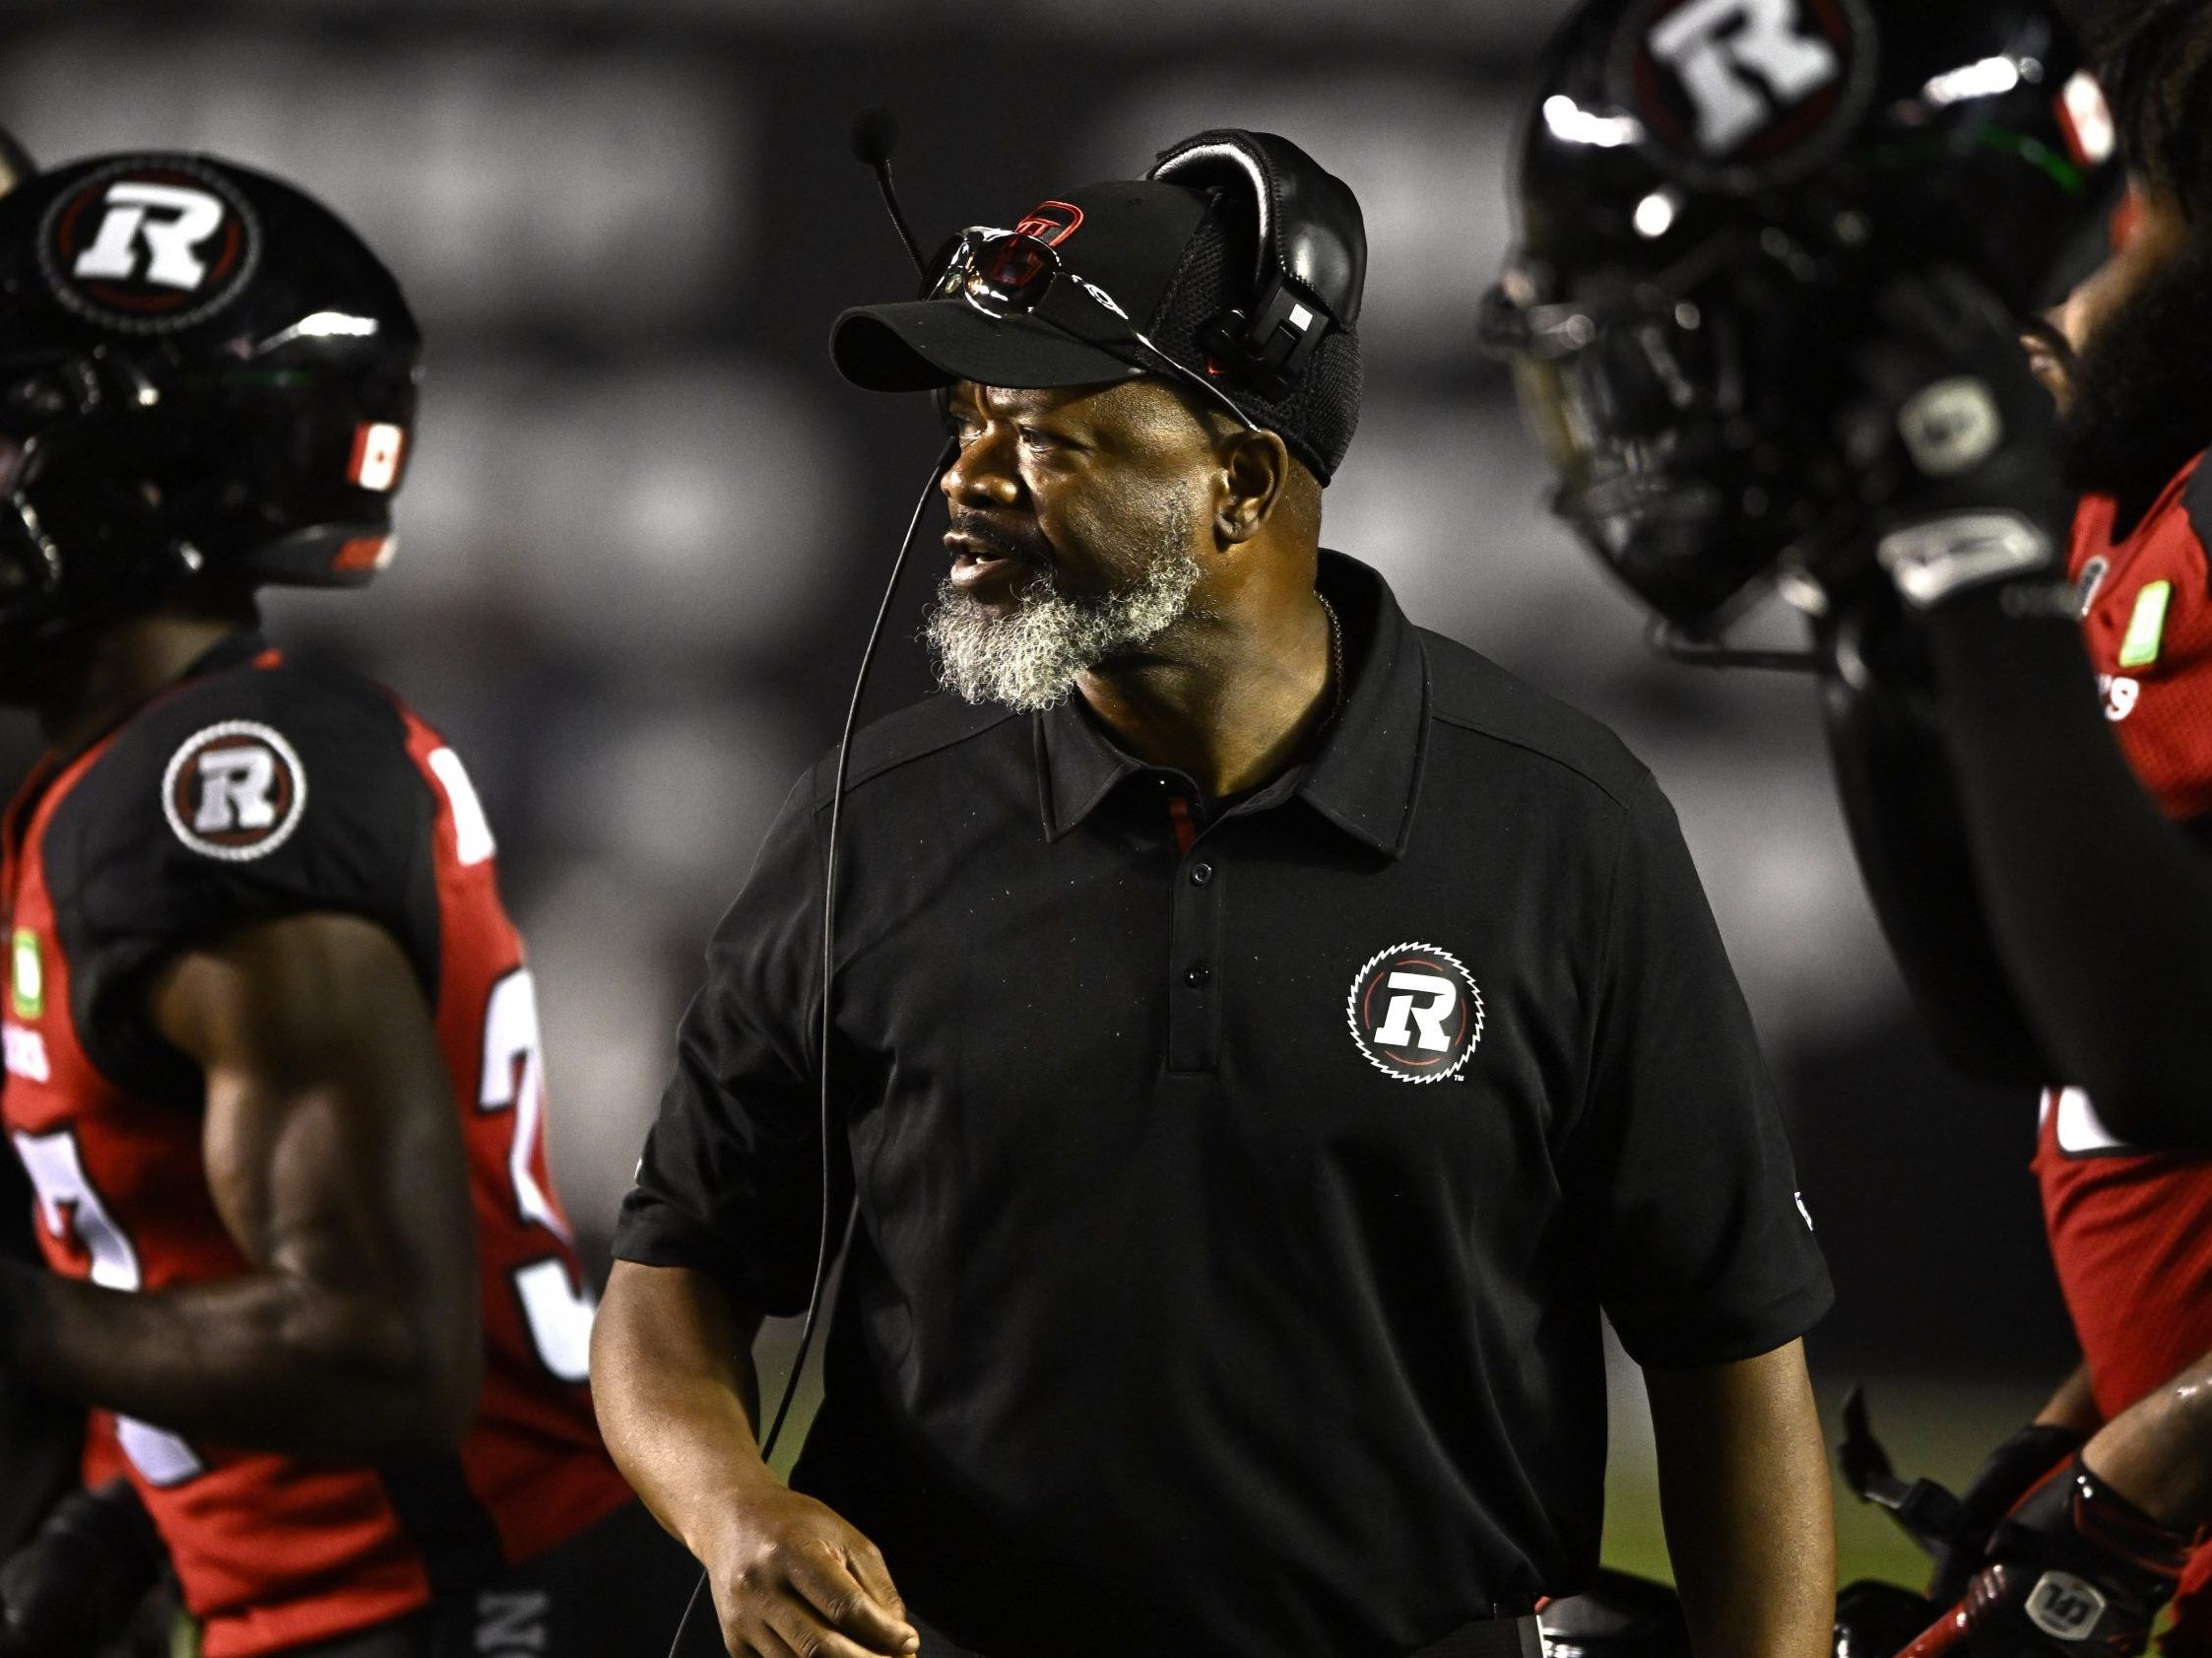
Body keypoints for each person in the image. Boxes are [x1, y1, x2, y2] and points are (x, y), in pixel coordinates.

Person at [593, 128, 1836, 1658]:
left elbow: (1728, 1353)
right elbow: (675, 1270)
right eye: (964, 421)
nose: (965, 482)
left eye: (1046, 435)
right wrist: (731, 1506)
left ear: (1240, 480)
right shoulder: (873, 819)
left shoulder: (1560, 823)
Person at [1484, 0, 2212, 1650]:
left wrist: (2137, 1489)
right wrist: (1885, 609)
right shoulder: (2134, 503)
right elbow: (2017, 1016)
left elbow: (2171, 1046)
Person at [0, 151, 696, 1657]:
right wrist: (114, 1520)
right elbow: (187, 1256)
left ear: (129, 477)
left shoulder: (204, 795)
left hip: (473, 1604)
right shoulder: (126, 778)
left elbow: (380, 1349)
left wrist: (26, 1332)